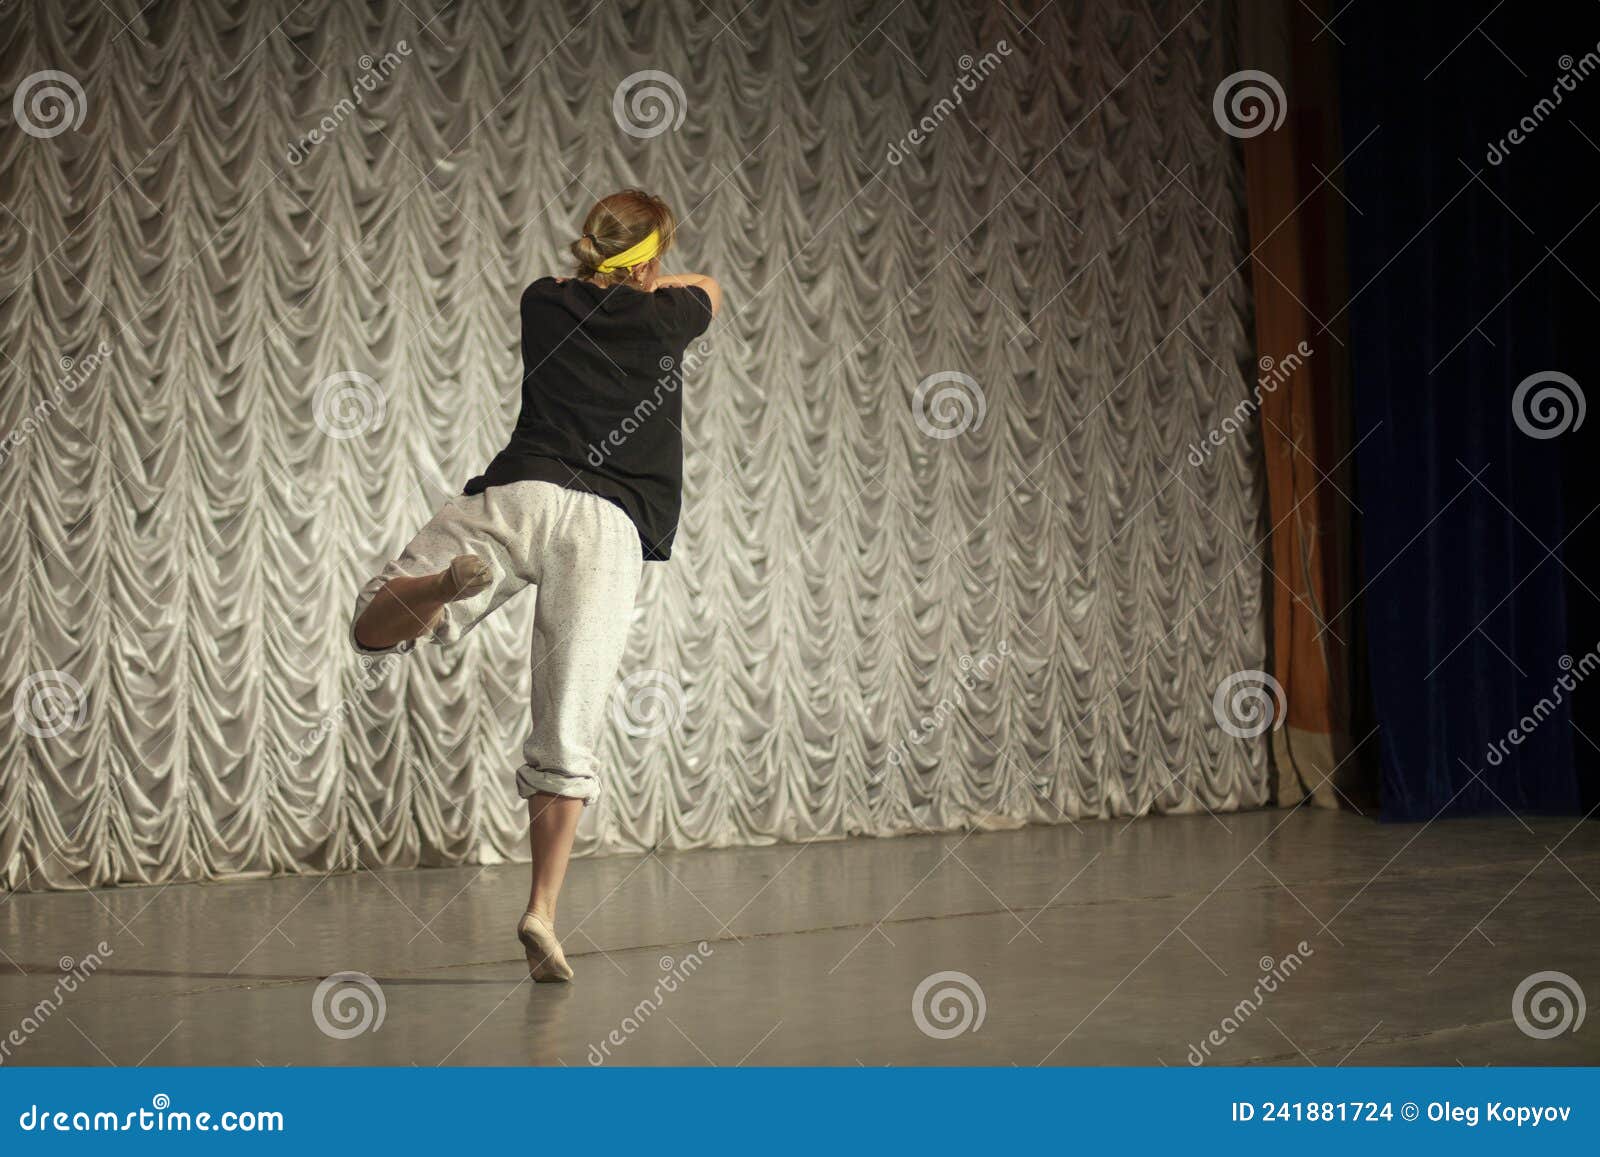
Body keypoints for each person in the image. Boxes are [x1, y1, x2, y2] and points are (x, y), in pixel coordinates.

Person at [349, 188, 720, 982]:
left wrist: (628, 261)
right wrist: (657, 277)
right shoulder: (669, 317)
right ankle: (542, 910)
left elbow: (598, 278)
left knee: (370, 626)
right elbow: (714, 286)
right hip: (607, 526)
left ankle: (447, 585)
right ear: (651, 261)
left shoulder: (543, 302)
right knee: (566, 730)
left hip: (520, 493)